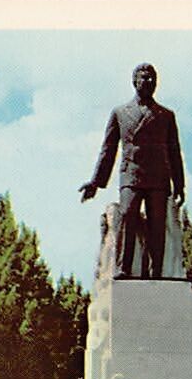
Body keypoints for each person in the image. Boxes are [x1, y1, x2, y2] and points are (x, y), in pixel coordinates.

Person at [79, 63, 185, 280]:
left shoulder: (165, 115)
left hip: (158, 177)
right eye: (144, 78)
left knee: (157, 223)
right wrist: (95, 182)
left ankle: (157, 271)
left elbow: (175, 151)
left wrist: (179, 184)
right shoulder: (120, 113)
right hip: (131, 175)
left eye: (152, 79)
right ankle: (123, 267)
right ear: (134, 81)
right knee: (128, 216)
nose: (148, 82)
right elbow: (108, 149)